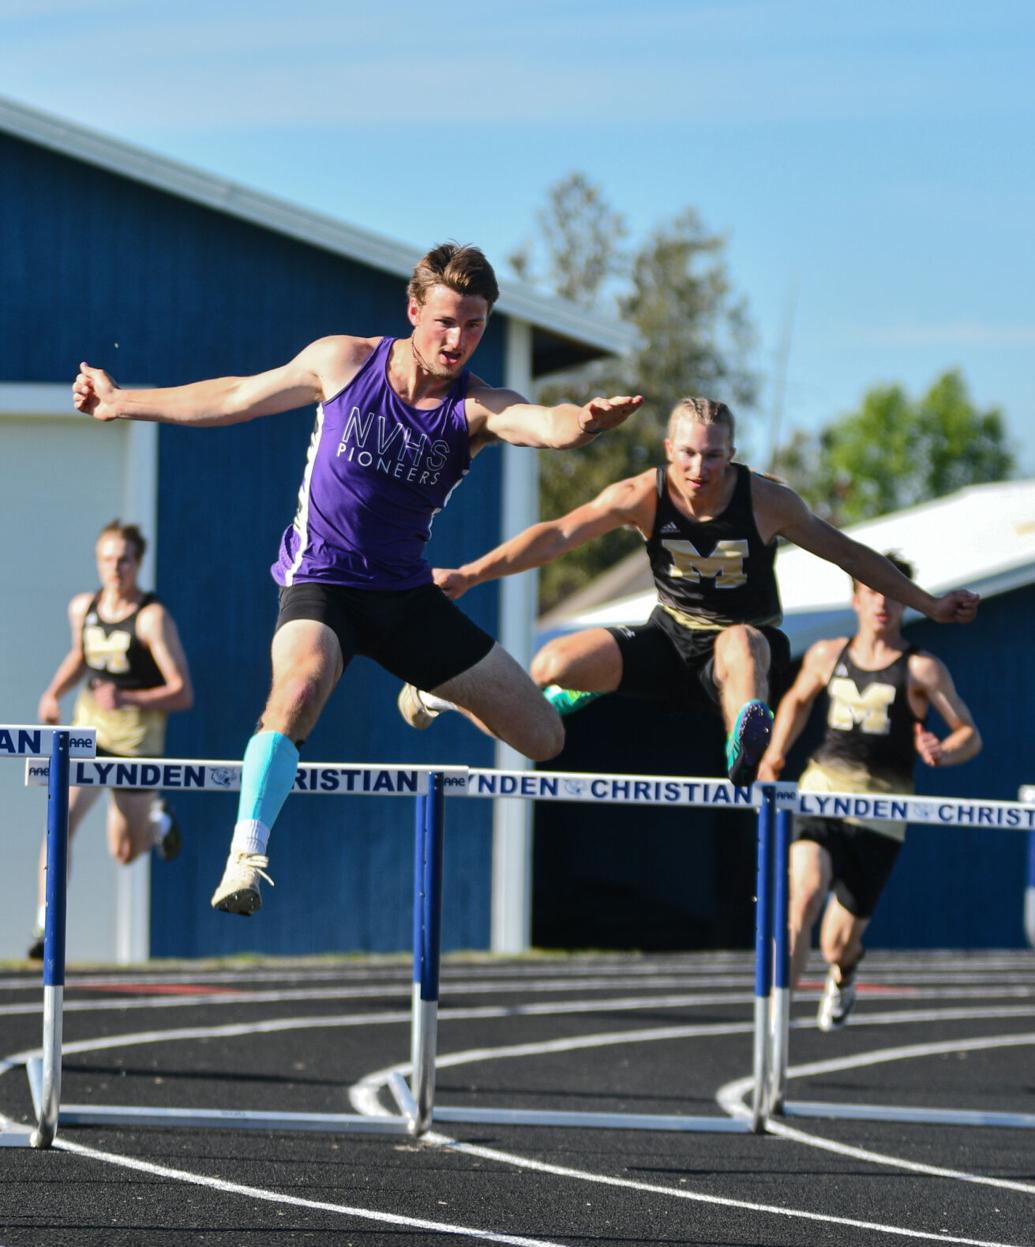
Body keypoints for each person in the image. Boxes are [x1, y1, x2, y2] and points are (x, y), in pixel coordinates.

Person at [72, 243, 642, 918]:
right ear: (413, 311)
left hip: (404, 597)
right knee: (299, 685)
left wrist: (579, 423)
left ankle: (430, 695)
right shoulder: (344, 360)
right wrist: (122, 402)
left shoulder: (475, 408)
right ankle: (246, 852)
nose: (458, 340)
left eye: (474, 325)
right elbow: (233, 395)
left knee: (546, 736)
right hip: (323, 582)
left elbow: (541, 423)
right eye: (445, 322)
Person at [398, 397, 979, 790]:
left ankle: (743, 744)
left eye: (715, 455)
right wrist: (470, 574)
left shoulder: (768, 500)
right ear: (668, 449)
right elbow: (557, 537)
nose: (700, 468)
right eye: (688, 453)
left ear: (733, 453)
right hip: (668, 637)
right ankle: (449, 698)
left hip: (743, 648)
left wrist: (927, 604)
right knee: (552, 663)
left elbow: (850, 555)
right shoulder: (640, 495)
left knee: (740, 642)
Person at [757, 554, 981, 1030]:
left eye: (893, 594)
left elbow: (970, 735)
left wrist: (944, 750)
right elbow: (796, 700)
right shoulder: (826, 654)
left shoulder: (922, 669)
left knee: (838, 941)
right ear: (856, 599)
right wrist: (773, 757)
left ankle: (846, 968)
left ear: (905, 604)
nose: (882, 602)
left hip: (881, 812)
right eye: (873, 592)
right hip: (821, 795)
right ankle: (773, 1031)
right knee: (803, 898)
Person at [31, 520, 194, 958]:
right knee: (58, 821)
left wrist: (125, 696)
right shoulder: (83, 607)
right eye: (106, 559)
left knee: (124, 852)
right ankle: (47, 925)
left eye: (123, 559)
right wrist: (52, 693)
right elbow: (82, 655)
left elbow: (183, 692)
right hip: (88, 737)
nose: (114, 568)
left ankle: (159, 823)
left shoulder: (151, 619)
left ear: (138, 563)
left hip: (136, 745)